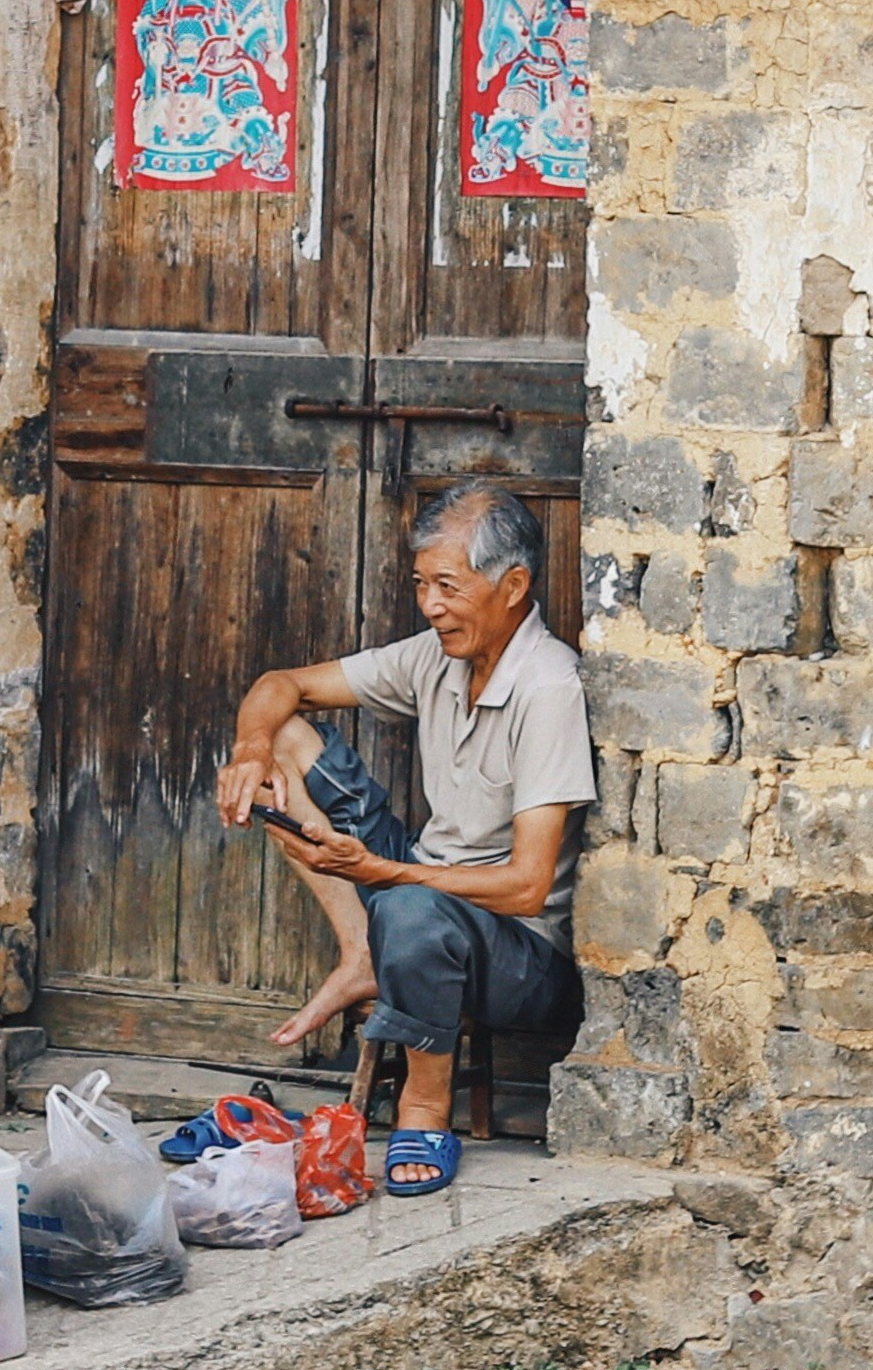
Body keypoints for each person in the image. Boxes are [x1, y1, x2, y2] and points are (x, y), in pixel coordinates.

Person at [215, 481, 591, 1199]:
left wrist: (386, 873)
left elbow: (526, 886)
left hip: (519, 953)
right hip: (419, 892)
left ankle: (423, 1107)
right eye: (420, 584)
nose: (429, 605)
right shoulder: (436, 656)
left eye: (446, 587)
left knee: (412, 909)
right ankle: (363, 952)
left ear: (512, 586)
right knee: (286, 744)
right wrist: (250, 750)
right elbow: (281, 683)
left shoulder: (549, 689)